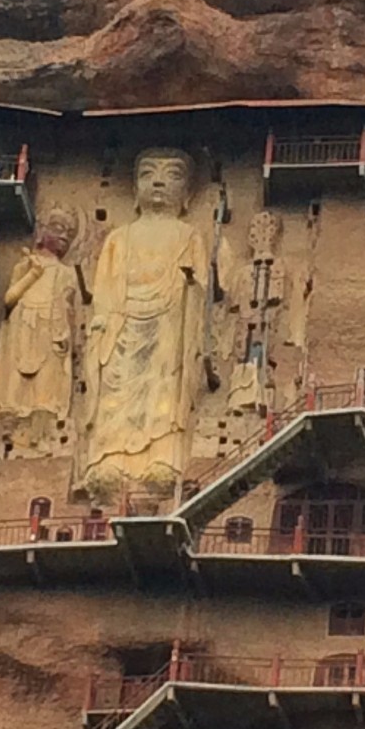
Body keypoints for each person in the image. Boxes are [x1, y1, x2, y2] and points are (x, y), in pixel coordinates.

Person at [79, 149, 213, 497]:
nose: (158, 182)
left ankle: (163, 460)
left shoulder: (189, 235)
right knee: (115, 391)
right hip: (121, 324)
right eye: (148, 174)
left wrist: (189, 287)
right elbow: (104, 289)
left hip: (170, 321)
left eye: (173, 175)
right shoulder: (119, 237)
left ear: (187, 195)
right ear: (135, 188)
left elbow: (201, 286)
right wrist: (102, 323)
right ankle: (108, 461)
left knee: (165, 390)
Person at [0, 206, 81, 449]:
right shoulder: (25, 265)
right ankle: (9, 415)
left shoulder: (67, 272)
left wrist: (68, 336)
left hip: (52, 326)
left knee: (48, 378)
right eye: (58, 229)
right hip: (24, 321)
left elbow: (68, 306)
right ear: (42, 231)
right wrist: (33, 274)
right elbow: (9, 299)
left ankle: (45, 415)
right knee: (17, 374)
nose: (63, 237)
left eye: (69, 234)